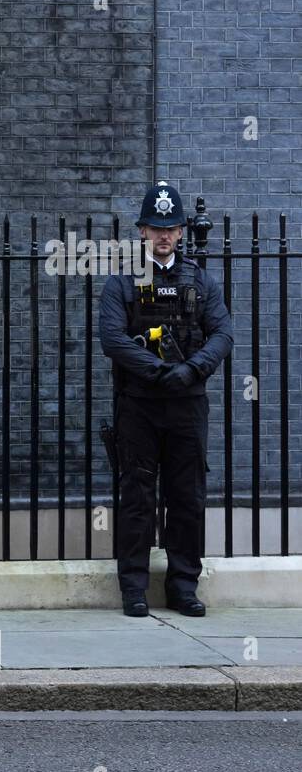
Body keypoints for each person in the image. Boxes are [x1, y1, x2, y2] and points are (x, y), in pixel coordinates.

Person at [98, 182, 233, 617]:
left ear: (181, 232)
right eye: (156, 227)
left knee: (187, 497)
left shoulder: (200, 279)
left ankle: (182, 588)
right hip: (139, 404)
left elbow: (224, 334)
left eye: (171, 228)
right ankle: (134, 589)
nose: (163, 236)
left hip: (187, 405)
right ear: (141, 230)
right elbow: (113, 339)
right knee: (137, 496)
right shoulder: (122, 281)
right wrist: (162, 372)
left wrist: (191, 370)